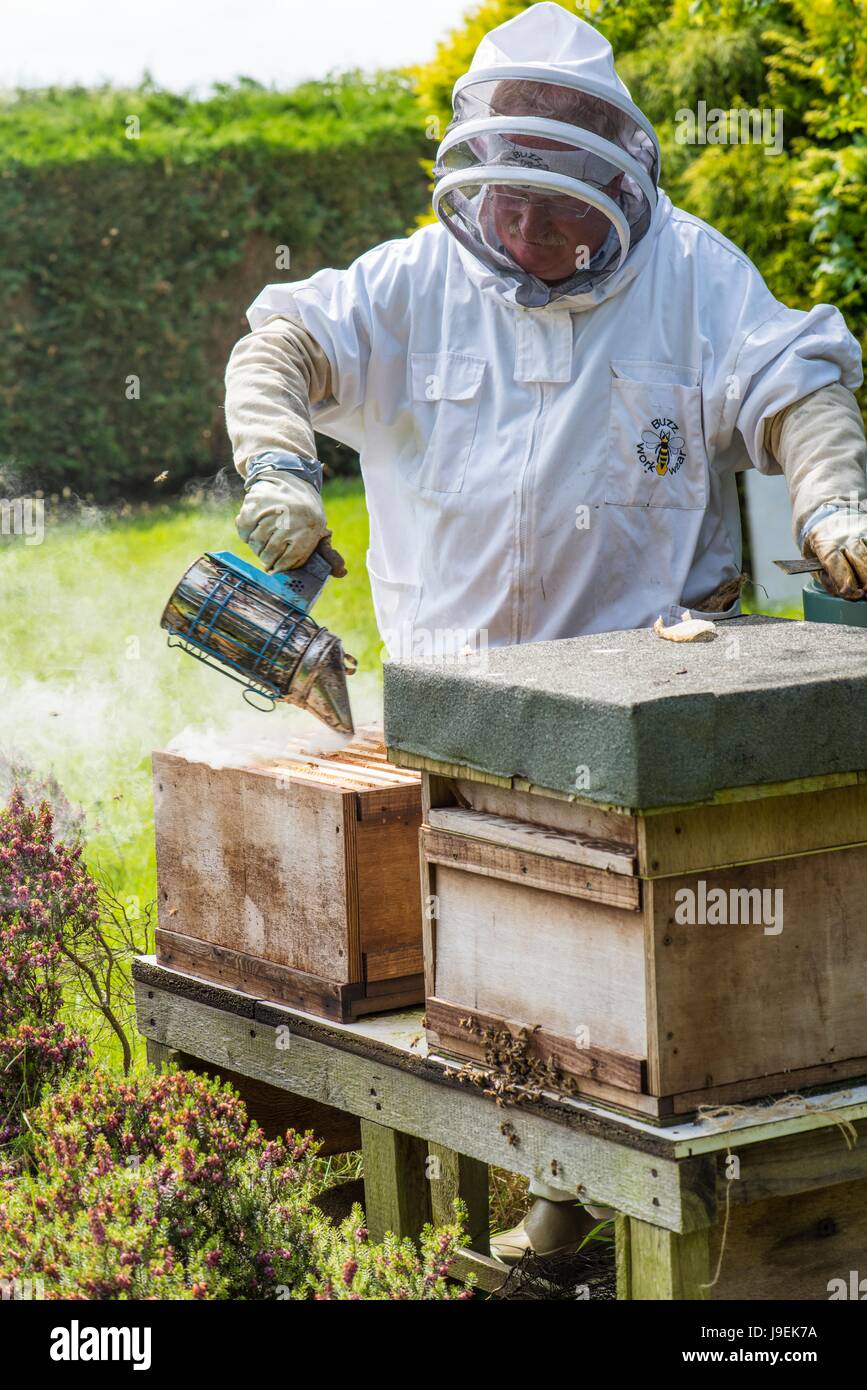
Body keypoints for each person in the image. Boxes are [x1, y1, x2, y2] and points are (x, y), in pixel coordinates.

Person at [224, 3, 867, 1261]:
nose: (522, 232)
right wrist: (278, 472)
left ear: (605, 177)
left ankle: (558, 1228)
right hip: (446, 722)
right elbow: (282, 340)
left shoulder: (691, 274)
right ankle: (522, 1222)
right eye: (503, 205)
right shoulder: (415, 282)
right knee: (464, 1005)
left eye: (548, 207)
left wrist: (837, 499)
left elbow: (797, 380)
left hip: (641, 748)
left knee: (615, 1013)